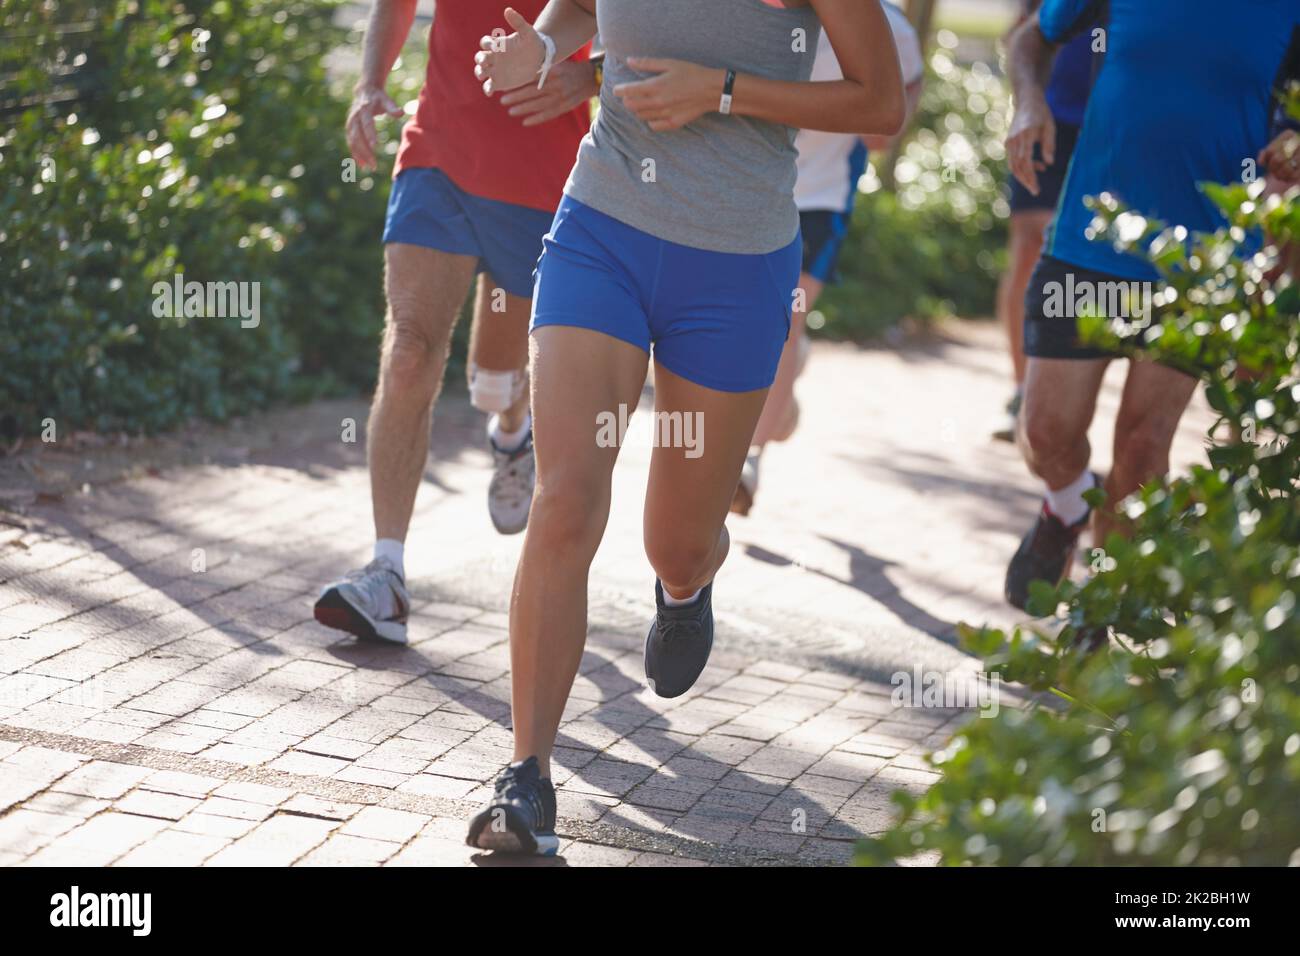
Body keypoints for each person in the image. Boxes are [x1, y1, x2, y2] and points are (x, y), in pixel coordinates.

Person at [465, 0, 905, 855]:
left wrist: (730, 91)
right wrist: (543, 48)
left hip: (737, 265)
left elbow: (881, 102)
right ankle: (526, 779)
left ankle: (687, 582)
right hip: (604, 229)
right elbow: (582, 12)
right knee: (565, 503)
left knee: (675, 538)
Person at [312, 0, 599, 645]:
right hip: (437, 153)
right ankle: (386, 572)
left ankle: (510, 430)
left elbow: (663, 25)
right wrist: (369, 85)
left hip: (539, 172)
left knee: (495, 381)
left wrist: (593, 76)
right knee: (409, 349)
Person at [1003, 0, 1299, 612]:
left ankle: (1103, 607)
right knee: (1045, 434)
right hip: (1091, 239)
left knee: (1141, 449)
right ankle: (1064, 504)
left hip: (1204, 260)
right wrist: (1030, 101)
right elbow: (1033, 38)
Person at [732, 0, 925, 515]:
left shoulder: (888, 26)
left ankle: (749, 457)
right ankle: (782, 403)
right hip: (745, 180)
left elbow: (884, 133)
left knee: (787, 318)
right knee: (747, 322)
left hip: (817, 195)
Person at [991, 0, 1095, 443]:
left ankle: (1063, 391)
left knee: (1087, 262)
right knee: (1033, 242)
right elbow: (1021, 33)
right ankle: (1022, 388)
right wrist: (1028, 97)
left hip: (1114, 130)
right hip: (1049, 117)